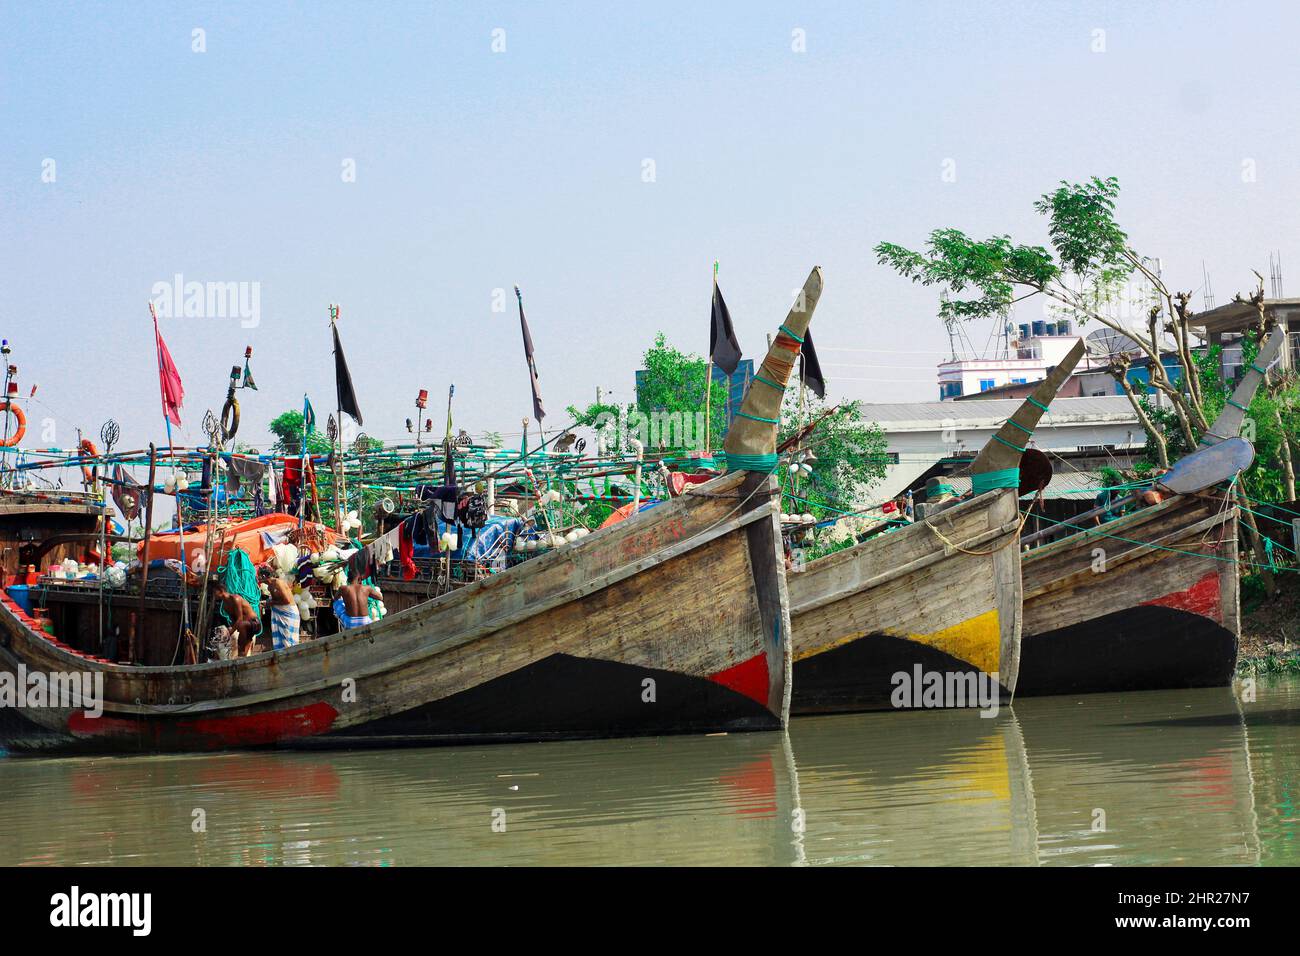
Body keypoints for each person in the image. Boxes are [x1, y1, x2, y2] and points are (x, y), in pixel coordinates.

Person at [212, 582, 264, 656]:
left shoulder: (235, 598)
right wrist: (227, 634)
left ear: (221, 591)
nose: (214, 595)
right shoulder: (225, 606)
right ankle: (243, 650)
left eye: (215, 592)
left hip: (255, 624)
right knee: (229, 632)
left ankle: (241, 649)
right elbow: (234, 621)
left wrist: (229, 633)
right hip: (244, 627)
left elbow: (239, 619)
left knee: (240, 625)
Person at [259, 565, 300, 650]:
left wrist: (270, 603)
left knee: (289, 639)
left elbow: (287, 601)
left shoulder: (278, 583)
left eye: (260, 576)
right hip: (280, 613)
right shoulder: (270, 586)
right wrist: (267, 603)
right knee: (281, 641)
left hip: (289, 613)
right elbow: (275, 599)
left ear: (264, 576)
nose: (258, 578)